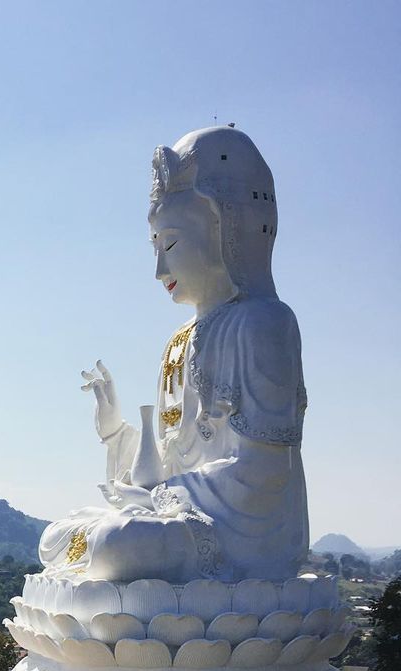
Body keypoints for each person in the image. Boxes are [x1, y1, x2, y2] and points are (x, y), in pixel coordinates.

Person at [40, 126, 307, 584]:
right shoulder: (178, 341)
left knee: (116, 547)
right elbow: (169, 458)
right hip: (174, 510)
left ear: (227, 229)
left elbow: (265, 473)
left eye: (171, 244)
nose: (159, 269)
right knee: (55, 538)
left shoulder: (264, 322)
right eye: (155, 247)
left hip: (242, 536)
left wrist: (161, 496)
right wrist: (117, 436)